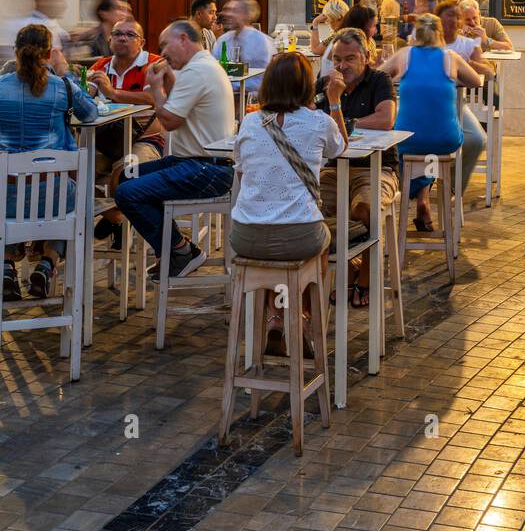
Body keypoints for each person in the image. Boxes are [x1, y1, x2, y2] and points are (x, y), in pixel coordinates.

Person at [231, 52, 348, 355]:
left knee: (274, 236)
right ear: (307, 88)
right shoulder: (319, 122)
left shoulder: (249, 121)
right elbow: (341, 148)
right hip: (300, 237)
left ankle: (274, 315)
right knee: (320, 243)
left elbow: (243, 177)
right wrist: (334, 101)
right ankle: (303, 319)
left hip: (246, 236)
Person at [114, 20, 235, 278]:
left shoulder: (197, 71)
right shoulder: (199, 67)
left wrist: (156, 89)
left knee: (127, 193)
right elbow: (179, 104)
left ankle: (180, 250)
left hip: (205, 169)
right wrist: (168, 80)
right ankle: (175, 249)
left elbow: (170, 120)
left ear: (183, 39)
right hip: (192, 162)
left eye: (165, 45)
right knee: (128, 175)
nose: (163, 53)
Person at [1, 24, 98, 300]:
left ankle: (7, 266)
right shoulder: (61, 87)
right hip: (52, 195)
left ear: (16, 53)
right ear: (48, 54)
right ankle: (47, 263)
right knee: (76, 196)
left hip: (5, 195)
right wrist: (63, 71)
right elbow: (89, 113)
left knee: (13, 201)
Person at [315, 29, 399, 308]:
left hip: (376, 167)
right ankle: (348, 265)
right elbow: (308, 117)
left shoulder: (379, 81)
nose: (341, 66)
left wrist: (344, 122)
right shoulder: (326, 84)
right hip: (334, 167)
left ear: (367, 57)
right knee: (313, 208)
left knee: (364, 209)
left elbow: (386, 119)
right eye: (337, 59)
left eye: (350, 58)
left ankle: (365, 275)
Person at [381, 13, 483, 232]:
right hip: (444, 140)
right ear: (439, 34)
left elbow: (378, 75)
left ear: (415, 32)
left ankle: (415, 196)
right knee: (434, 147)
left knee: (413, 148)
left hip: (407, 140)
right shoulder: (450, 58)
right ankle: (424, 200)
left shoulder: (404, 55)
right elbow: (476, 80)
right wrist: (453, 79)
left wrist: (397, 77)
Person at [88, 19, 166, 250]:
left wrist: (112, 92)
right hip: (105, 140)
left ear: (141, 41)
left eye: (130, 34)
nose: (123, 38)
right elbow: (85, 97)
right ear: (110, 39)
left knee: (126, 172)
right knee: (75, 171)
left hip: (144, 139)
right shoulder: (100, 66)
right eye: (117, 33)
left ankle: (121, 221)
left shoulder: (154, 64)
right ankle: (117, 218)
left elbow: (153, 98)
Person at [436, 0, 493, 189]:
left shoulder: (469, 45)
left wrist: (467, 65)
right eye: (448, 16)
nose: (452, 21)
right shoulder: (428, 42)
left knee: (477, 140)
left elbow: (489, 71)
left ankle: (453, 185)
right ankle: (419, 184)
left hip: (457, 102)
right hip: (428, 102)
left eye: (456, 17)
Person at [211, 0, 276, 97]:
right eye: (226, 10)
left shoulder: (261, 42)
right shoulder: (222, 40)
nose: (227, 14)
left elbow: (262, 79)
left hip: (254, 101)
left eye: (234, 11)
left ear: (247, 15)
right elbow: (214, 71)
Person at [1, 0, 69, 60]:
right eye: (59, 0)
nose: (64, 5)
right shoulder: (18, 27)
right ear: (42, 0)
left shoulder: (58, 29)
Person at [69, 0, 134, 61]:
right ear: (103, 13)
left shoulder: (128, 40)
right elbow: (82, 69)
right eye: (120, 9)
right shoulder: (89, 41)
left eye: (128, 11)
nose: (126, 14)